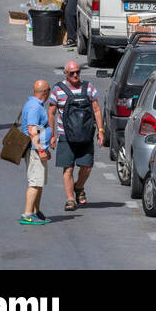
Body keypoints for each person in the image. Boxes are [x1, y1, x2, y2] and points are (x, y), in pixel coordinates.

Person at [47, 61, 104, 211]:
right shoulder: (58, 90)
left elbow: (97, 110)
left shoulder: (89, 87)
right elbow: (51, 113)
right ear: (65, 73)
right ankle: (70, 199)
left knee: (87, 166)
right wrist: (51, 135)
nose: (75, 75)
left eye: (77, 72)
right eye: (71, 73)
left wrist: (101, 131)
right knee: (68, 168)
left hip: (86, 135)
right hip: (65, 136)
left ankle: (79, 187)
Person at [20, 79, 52, 225]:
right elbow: (33, 131)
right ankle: (27, 214)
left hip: (38, 150)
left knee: (39, 182)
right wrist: (40, 150)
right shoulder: (34, 107)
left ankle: (36, 211)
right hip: (34, 150)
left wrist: (45, 149)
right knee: (34, 182)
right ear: (45, 92)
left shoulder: (34, 104)